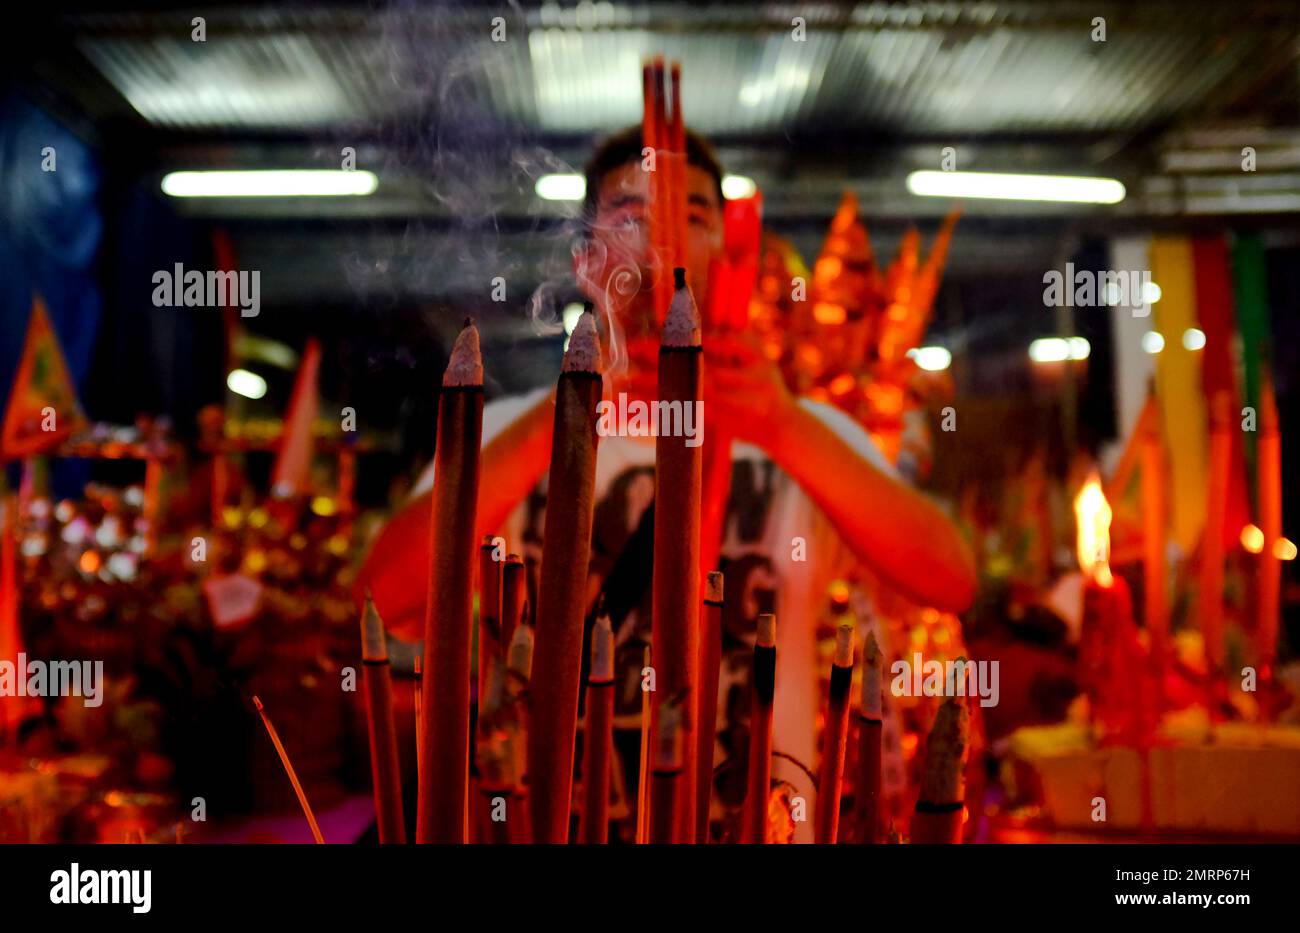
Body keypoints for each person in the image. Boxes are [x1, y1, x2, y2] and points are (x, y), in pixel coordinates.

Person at [360, 125, 976, 841]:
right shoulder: (505, 430)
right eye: (630, 217)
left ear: (732, 251)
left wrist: (778, 425)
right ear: (588, 260)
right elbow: (383, 602)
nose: (663, 241)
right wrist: (571, 408)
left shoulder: (801, 431)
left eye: (692, 217)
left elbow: (950, 578)